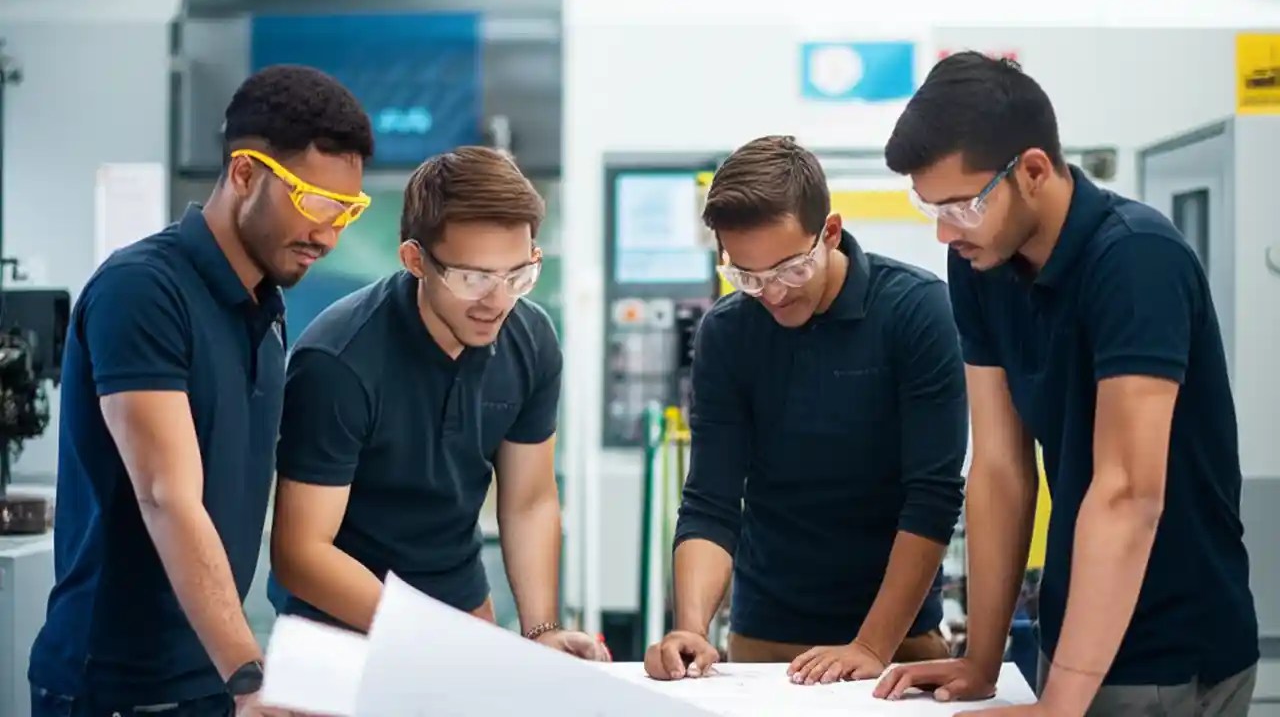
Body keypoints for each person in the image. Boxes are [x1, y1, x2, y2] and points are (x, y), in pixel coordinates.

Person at [874, 53, 1258, 716]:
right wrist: (982, 660)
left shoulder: (1137, 258)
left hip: (1170, 652)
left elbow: (1129, 493)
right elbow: (1000, 468)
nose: (944, 230)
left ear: (1032, 171)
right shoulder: (981, 264)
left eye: (961, 205)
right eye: (929, 207)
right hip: (1071, 640)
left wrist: (1059, 707)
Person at [28, 65, 374, 717]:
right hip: (117, 690)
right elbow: (167, 495)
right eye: (313, 205)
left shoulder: (265, 307)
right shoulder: (142, 290)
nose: (328, 236)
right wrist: (247, 674)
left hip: (208, 679)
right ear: (244, 173)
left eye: (346, 212)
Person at [644, 136, 968, 684]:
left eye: (790, 270)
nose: (771, 294)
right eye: (747, 277)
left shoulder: (915, 311)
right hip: (765, 642)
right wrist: (691, 630)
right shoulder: (727, 334)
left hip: (897, 643)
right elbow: (710, 503)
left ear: (830, 233)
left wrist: (871, 644)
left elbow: (932, 497)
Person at [268, 146, 608, 662]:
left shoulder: (531, 339)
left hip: (458, 604)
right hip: (337, 625)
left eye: (517, 276)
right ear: (415, 260)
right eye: (474, 279)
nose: (498, 302)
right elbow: (302, 552)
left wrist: (541, 630)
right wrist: (430, 636)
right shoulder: (338, 361)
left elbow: (530, 500)